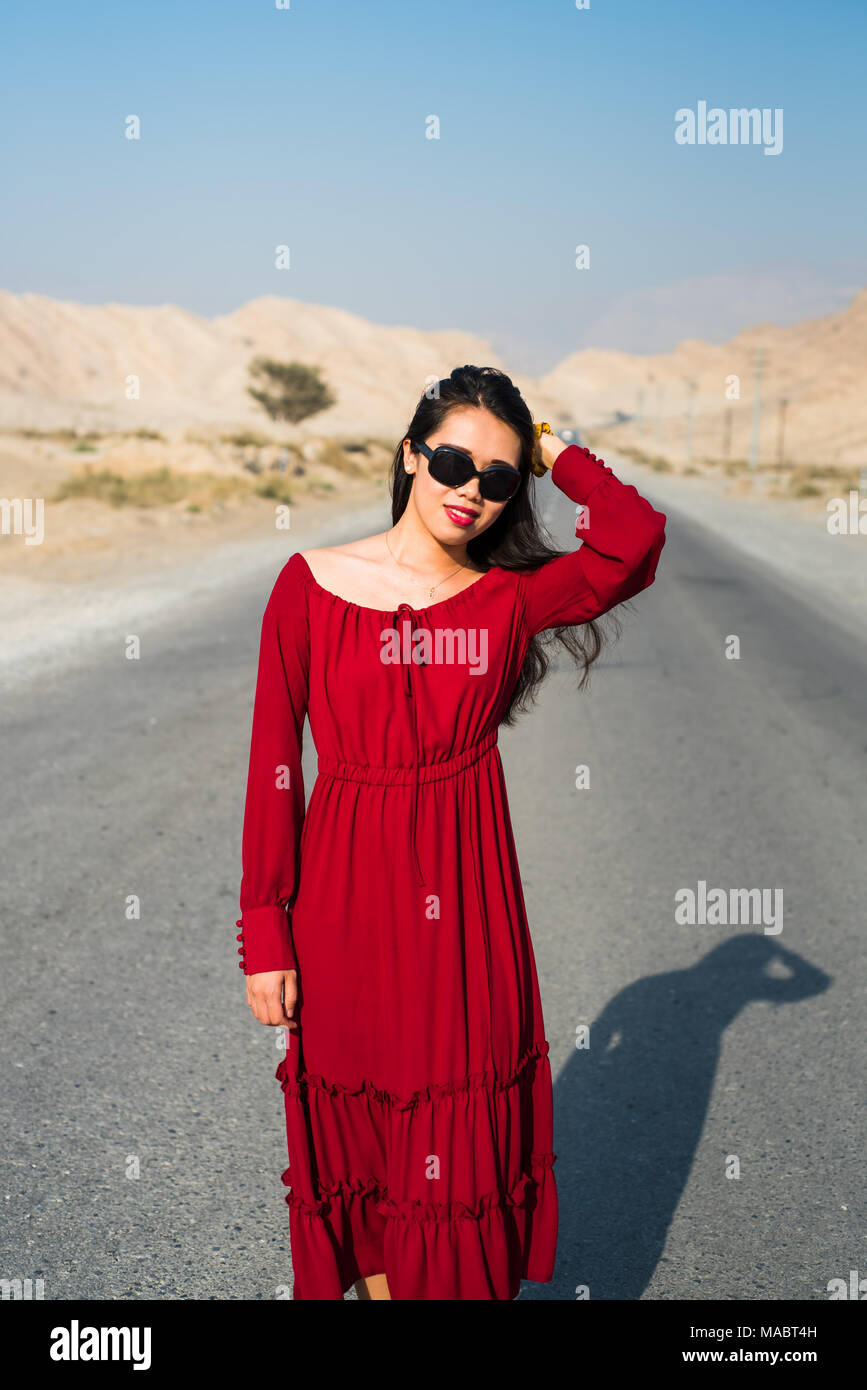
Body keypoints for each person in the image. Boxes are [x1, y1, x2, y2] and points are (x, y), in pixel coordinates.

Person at [235, 364, 667, 1300]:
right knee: (374, 1176)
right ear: (409, 456)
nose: (469, 488)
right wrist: (264, 929)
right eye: (451, 461)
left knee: (450, 1159)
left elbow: (633, 542)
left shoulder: (509, 602)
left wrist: (556, 451)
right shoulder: (306, 585)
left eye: (499, 477)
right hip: (340, 912)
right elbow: (275, 765)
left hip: (467, 918)